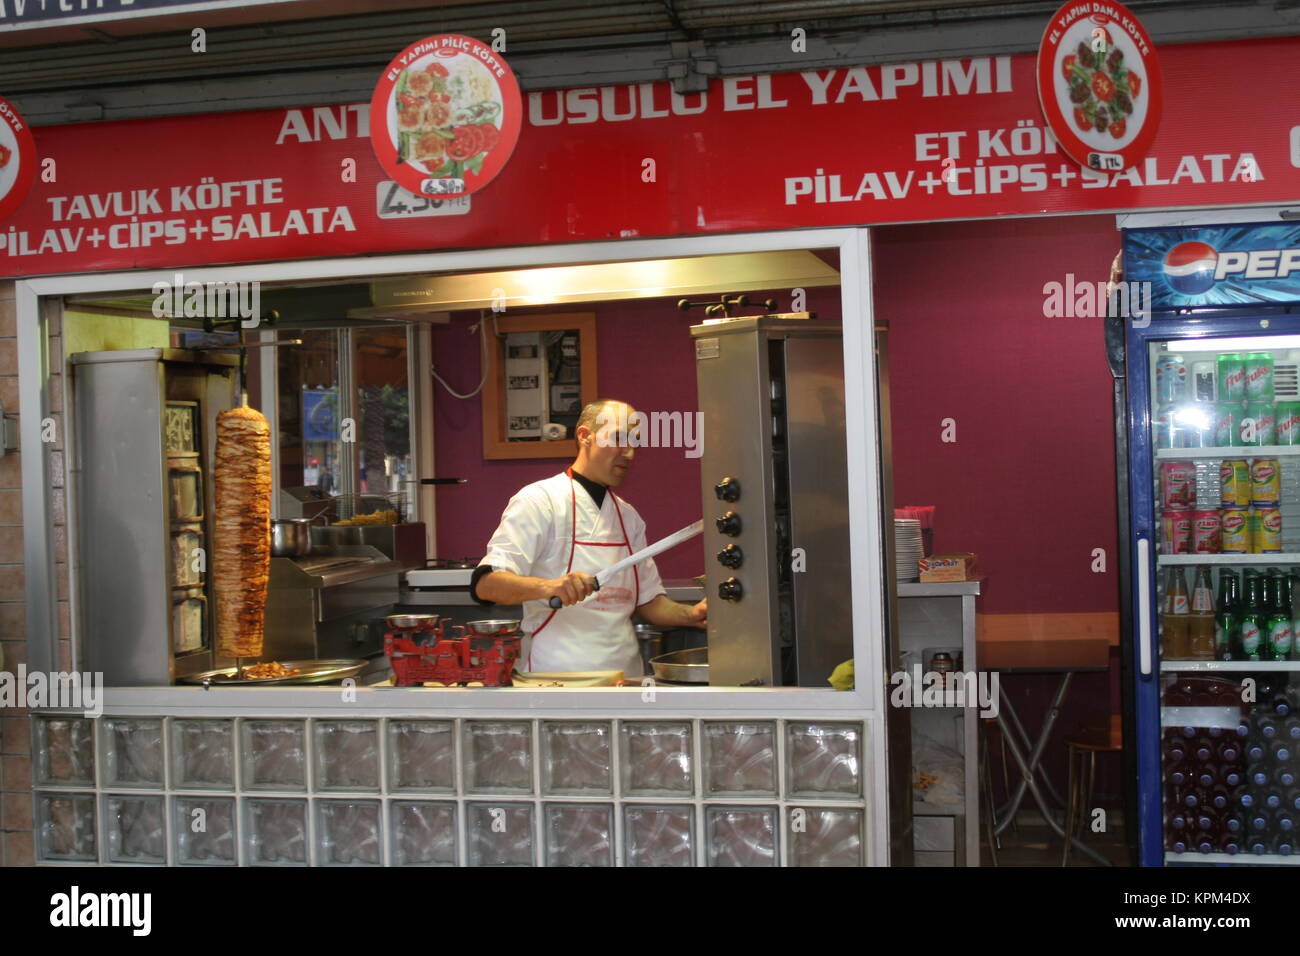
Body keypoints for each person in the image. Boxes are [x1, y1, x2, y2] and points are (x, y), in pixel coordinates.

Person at [472, 398, 707, 674]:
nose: (629, 452)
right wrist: (549, 588)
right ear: (585, 436)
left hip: (625, 681)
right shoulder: (539, 500)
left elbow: (649, 602)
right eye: (618, 437)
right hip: (557, 681)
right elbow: (485, 584)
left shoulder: (628, 516)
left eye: (635, 441)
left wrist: (691, 615)